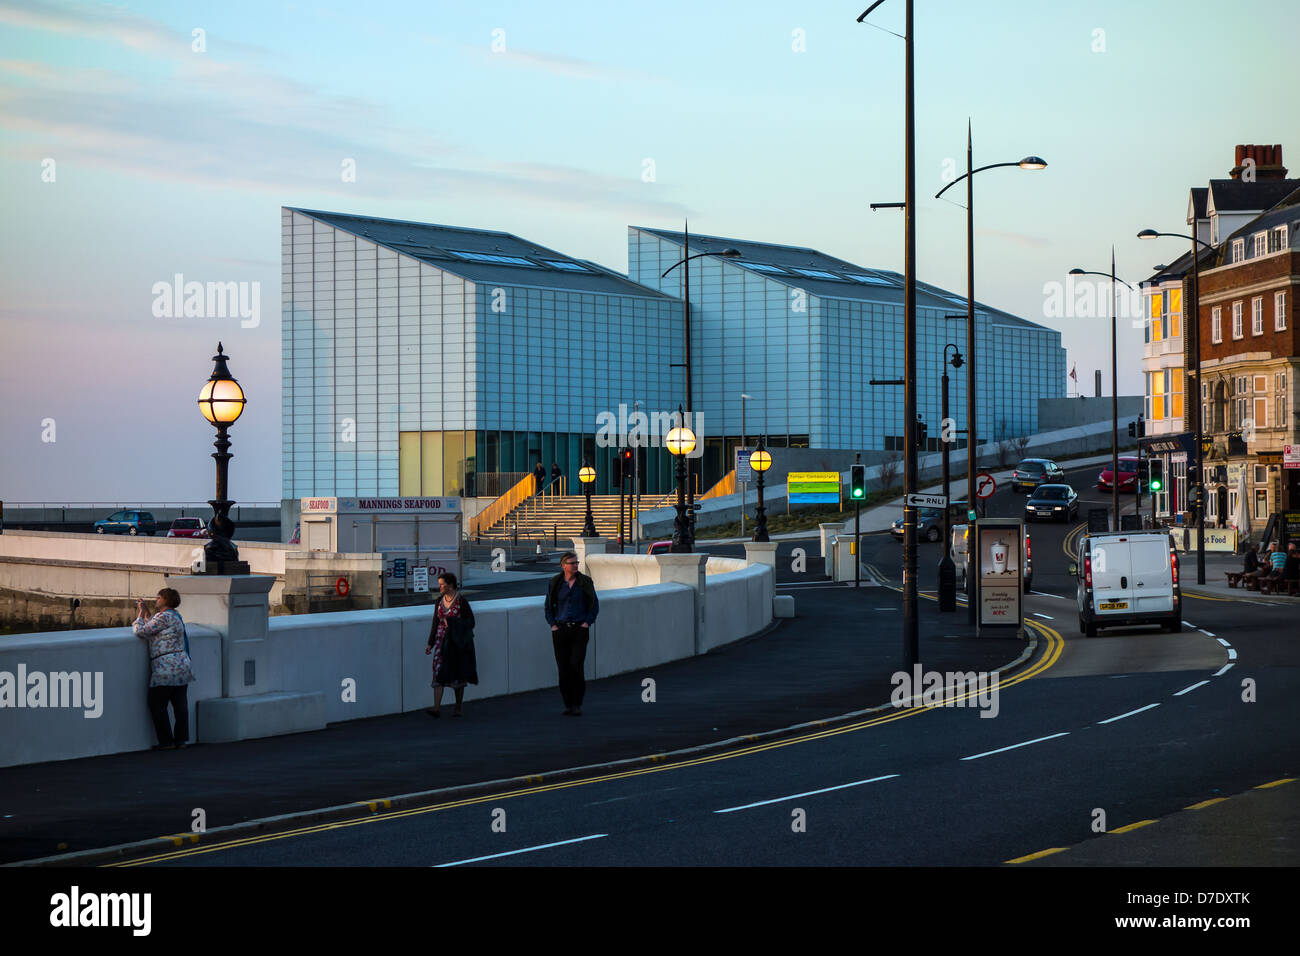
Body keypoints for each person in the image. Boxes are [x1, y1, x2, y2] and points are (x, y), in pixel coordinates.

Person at [132, 587, 195, 750]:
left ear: (166, 600)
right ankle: (181, 740)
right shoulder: (175, 616)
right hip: (182, 666)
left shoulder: (163, 617)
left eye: (159, 597)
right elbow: (157, 627)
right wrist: (146, 613)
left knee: (156, 704)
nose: (156, 600)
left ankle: (166, 741)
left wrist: (139, 616)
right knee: (180, 705)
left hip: (166, 667)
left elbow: (141, 632)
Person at [544, 552, 599, 715]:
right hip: (560, 630)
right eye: (572, 563)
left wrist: (586, 623)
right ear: (564, 566)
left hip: (579, 630)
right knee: (563, 668)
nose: (576, 565)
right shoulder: (555, 583)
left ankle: (577, 703)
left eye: (577, 562)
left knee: (576, 665)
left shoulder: (585, 582)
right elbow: (548, 606)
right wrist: (553, 625)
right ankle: (567, 703)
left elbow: (594, 605)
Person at [425, 572, 477, 717]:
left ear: (450, 585)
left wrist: (453, 623)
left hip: (455, 643)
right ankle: (436, 708)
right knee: (437, 671)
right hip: (441, 641)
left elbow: (471, 622)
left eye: (442, 584)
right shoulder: (439, 601)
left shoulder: (461, 601)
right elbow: (435, 622)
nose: (440, 587)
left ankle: (458, 708)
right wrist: (430, 643)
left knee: (457, 673)